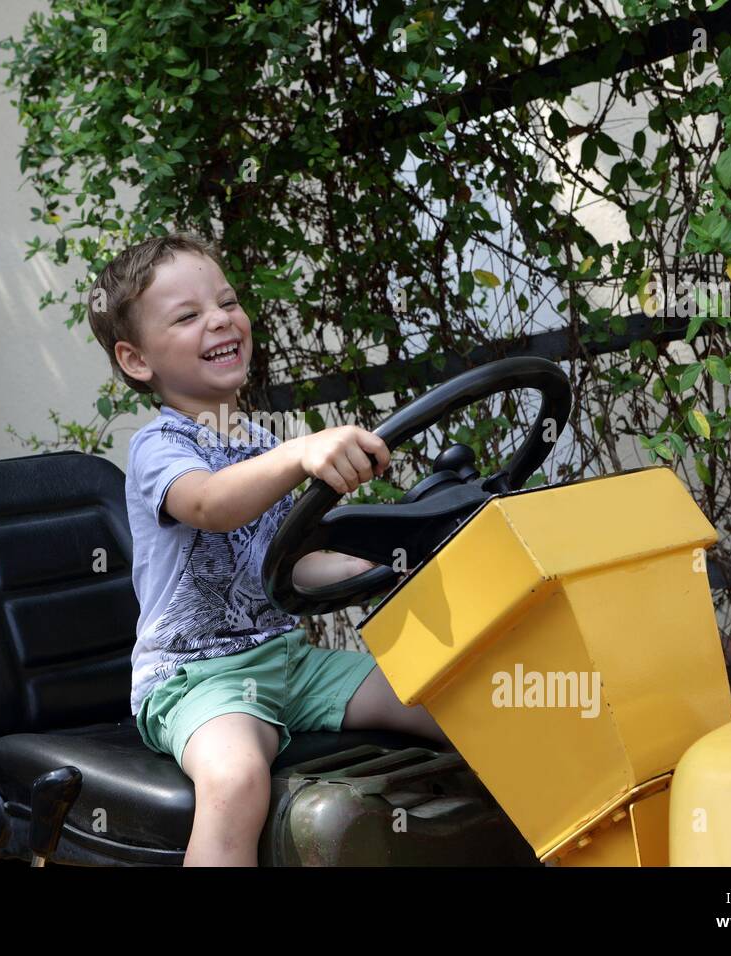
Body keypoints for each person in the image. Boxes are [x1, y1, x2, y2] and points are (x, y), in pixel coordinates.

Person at [87, 231, 451, 866]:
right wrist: (298, 454)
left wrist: (381, 565)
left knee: (449, 700)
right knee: (236, 781)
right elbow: (210, 504)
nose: (220, 318)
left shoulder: (258, 441)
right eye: (187, 315)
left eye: (226, 301)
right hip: (195, 678)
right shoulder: (159, 446)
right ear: (137, 360)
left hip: (288, 664)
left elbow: (288, 567)